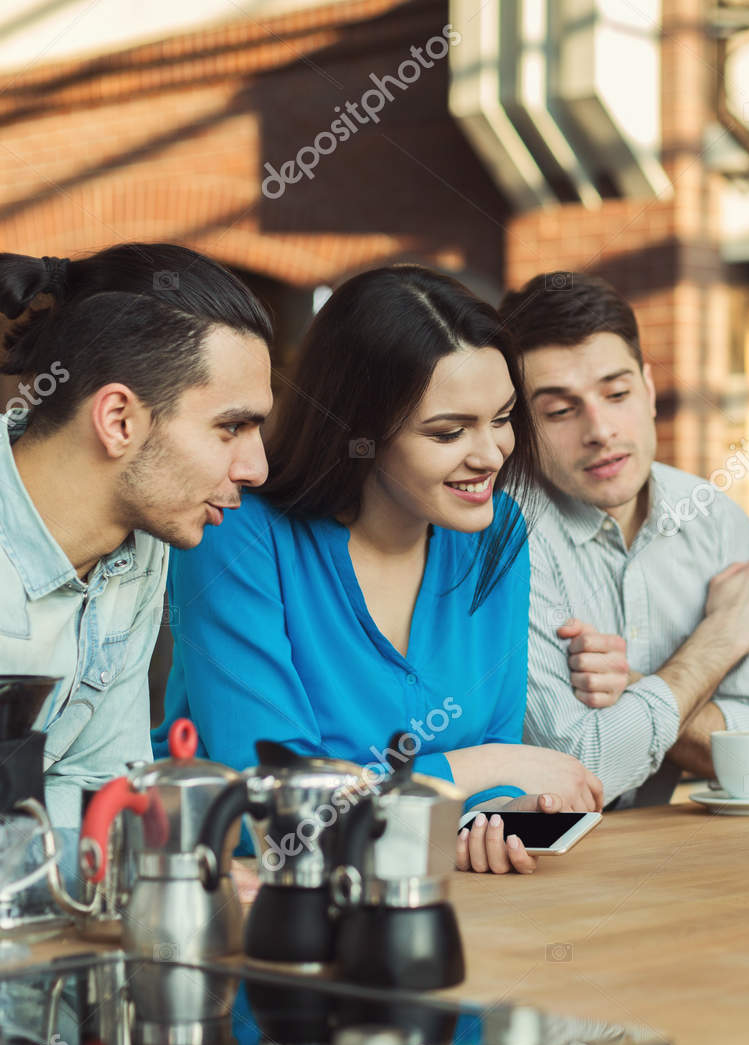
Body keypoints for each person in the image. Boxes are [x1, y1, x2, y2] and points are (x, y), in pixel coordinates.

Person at [157, 265, 602, 875]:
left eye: (500, 419)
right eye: (449, 432)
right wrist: (483, 771)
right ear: (359, 434)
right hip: (251, 904)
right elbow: (277, 803)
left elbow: (493, 750)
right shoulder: (235, 535)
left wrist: (502, 812)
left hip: (432, 892)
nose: (491, 453)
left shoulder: (496, 533)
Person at [0, 244, 274, 830]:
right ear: (118, 421)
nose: (256, 468)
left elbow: (95, 790)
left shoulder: (139, 540)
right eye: (231, 427)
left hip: (16, 909)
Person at [499, 272, 749, 807]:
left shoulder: (719, 524)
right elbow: (582, 771)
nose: (600, 429)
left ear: (649, 388)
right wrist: (721, 639)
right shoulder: (504, 532)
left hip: (685, 855)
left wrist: (635, 686)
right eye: (559, 410)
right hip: (541, 861)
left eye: (616, 393)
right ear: (523, 425)